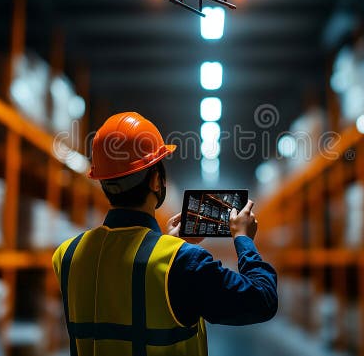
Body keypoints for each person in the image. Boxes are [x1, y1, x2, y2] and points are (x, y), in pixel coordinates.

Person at [52, 112, 278, 356]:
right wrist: (243, 239)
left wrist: (168, 244)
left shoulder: (66, 256)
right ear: (157, 181)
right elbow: (262, 299)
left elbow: (119, 286)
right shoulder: (185, 262)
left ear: (103, 181)